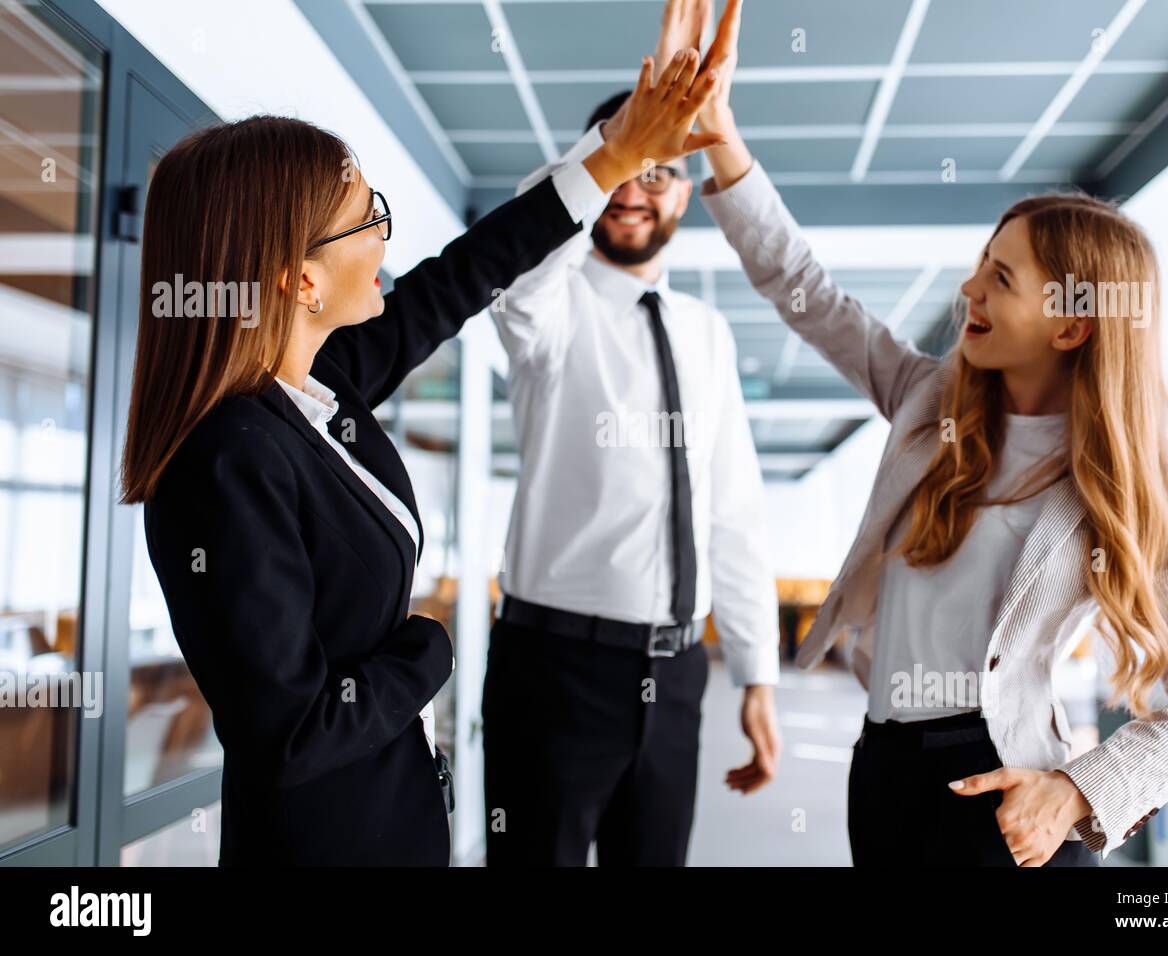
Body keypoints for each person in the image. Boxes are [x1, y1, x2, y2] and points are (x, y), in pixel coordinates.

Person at [688, 0, 1168, 865]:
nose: (969, 290)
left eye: (1000, 277)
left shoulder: (1153, 478)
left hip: (1004, 791)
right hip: (879, 768)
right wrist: (719, 134)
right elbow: (802, 286)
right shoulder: (926, 399)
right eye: (979, 266)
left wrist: (1080, 789)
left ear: (1072, 325)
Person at [118, 53, 724, 865]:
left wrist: (610, 157)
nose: (385, 236)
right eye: (367, 220)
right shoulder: (227, 461)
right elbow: (294, 734)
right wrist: (428, 650)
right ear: (299, 279)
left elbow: (461, 277)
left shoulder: (315, 390)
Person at [481, 0, 781, 867]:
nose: (638, 189)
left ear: (687, 191)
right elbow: (529, 249)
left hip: (679, 673)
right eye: (625, 169)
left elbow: (733, 511)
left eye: (661, 172)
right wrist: (620, 140)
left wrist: (757, 671)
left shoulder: (706, 332)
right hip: (554, 666)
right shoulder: (549, 307)